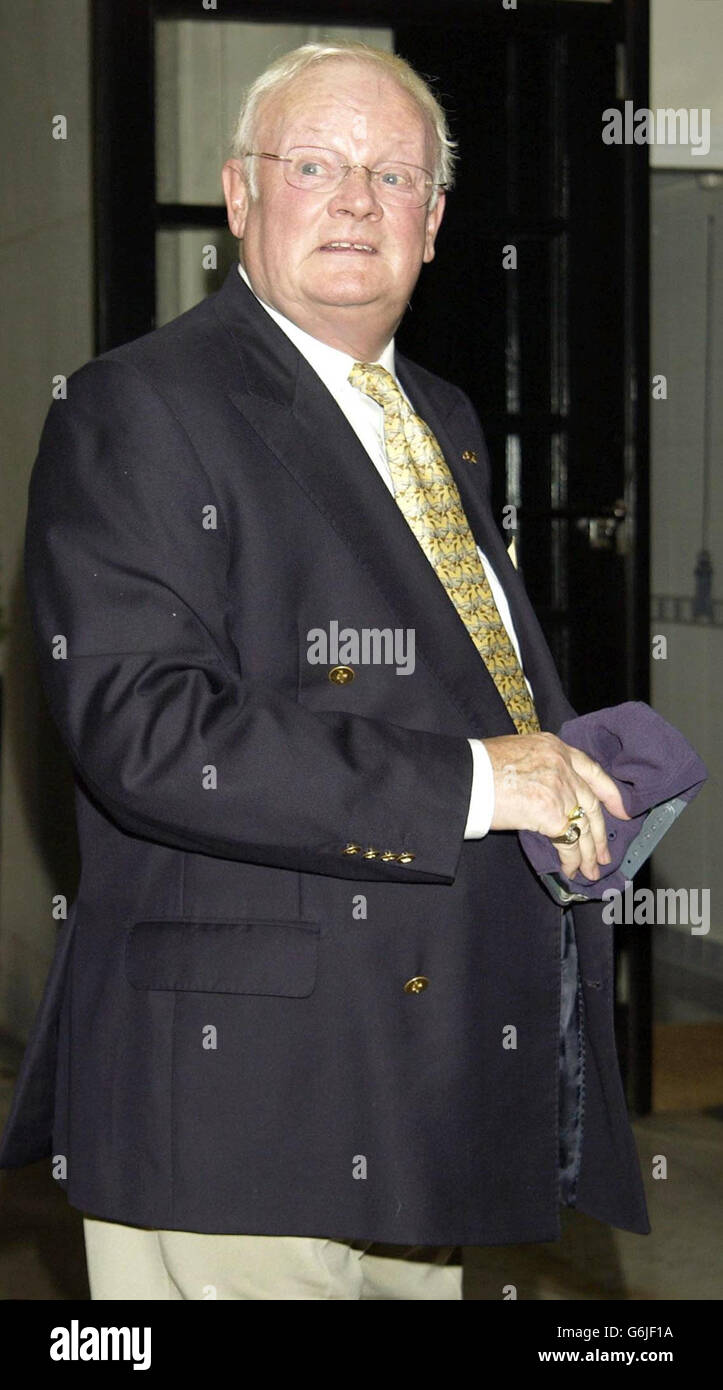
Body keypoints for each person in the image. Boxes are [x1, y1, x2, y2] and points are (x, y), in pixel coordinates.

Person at [0, 40, 649, 1301]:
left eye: (394, 175)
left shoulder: (441, 417)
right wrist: (482, 783)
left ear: (434, 220)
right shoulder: (139, 406)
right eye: (314, 165)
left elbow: (460, 683)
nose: (356, 200)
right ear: (241, 195)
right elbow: (148, 730)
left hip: (425, 1085)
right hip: (245, 1104)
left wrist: (574, 769)